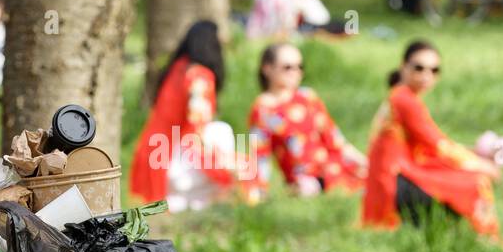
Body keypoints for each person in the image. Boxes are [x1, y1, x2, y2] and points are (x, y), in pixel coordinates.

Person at [361, 40, 501, 237]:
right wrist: (479, 163)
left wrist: (471, 153)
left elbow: (430, 143)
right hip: (393, 180)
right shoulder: (404, 100)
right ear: (403, 66)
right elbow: (437, 145)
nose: (426, 76)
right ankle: (486, 240)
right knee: (477, 181)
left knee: (463, 174)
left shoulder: (403, 97)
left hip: (397, 173)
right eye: (419, 68)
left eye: (434, 70)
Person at [130, 21, 236, 212]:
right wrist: (224, 167)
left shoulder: (176, 68)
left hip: (153, 157)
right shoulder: (200, 76)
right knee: (221, 130)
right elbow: (197, 123)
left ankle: (183, 198)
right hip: (174, 163)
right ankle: (200, 195)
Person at [246, 43, 366, 201]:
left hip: (334, 166)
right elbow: (258, 157)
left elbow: (336, 140)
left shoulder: (308, 97)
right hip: (304, 180)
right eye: (288, 67)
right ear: (267, 69)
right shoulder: (262, 110)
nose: (295, 73)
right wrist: (256, 193)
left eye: (299, 67)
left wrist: (366, 162)